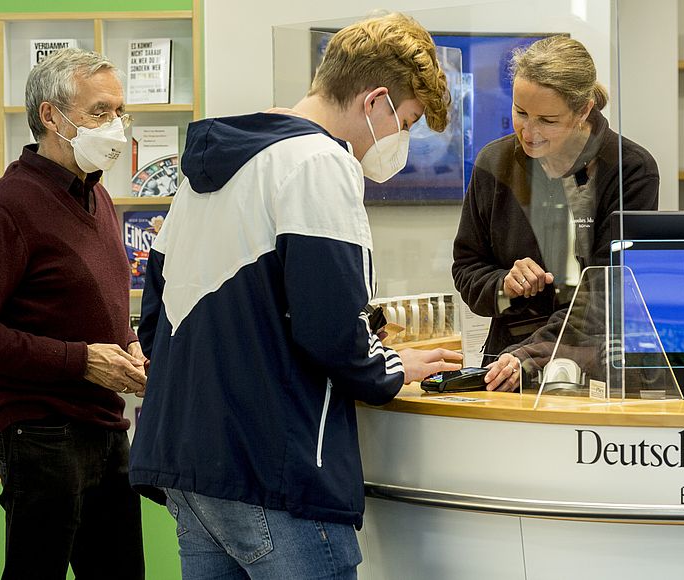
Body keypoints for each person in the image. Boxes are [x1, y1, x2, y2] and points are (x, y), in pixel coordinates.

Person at [128, 12, 461, 580]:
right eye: (405, 122)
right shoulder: (319, 163)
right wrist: (389, 367)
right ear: (375, 102)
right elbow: (331, 330)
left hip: (187, 462)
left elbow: (155, 321)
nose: (401, 141)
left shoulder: (210, 168)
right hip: (272, 468)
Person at [0, 48, 147, 580]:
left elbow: (87, 304)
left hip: (104, 427)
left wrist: (128, 343)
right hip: (42, 436)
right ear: (51, 117)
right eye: (100, 113)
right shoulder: (8, 205)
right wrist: (80, 361)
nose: (115, 127)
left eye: (120, 112)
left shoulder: (98, 198)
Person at [452, 36, 659, 391]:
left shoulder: (630, 170)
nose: (528, 133)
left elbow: (605, 294)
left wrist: (530, 355)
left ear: (583, 111)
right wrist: (503, 283)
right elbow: (467, 269)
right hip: (505, 371)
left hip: (591, 373)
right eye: (520, 113)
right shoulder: (494, 163)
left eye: (547, 120)